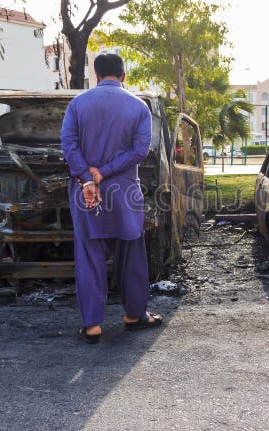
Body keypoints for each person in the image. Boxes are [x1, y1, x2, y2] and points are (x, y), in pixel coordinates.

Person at [61, 53, 163, 344]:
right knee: (131, 252)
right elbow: (141, 150)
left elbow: (68, 145)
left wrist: (87, 178)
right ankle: (134, 315)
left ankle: (92, 325)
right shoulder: (138, 107)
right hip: (125, 190)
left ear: (95, 76)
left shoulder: (77, 104)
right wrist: (103, 173)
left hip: (85, 190)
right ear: (123, 76)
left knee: (89, 253)